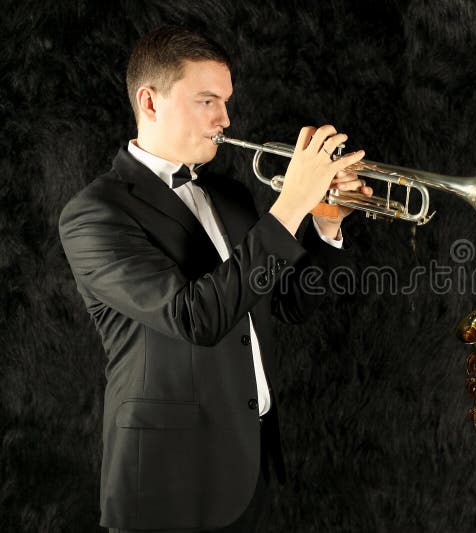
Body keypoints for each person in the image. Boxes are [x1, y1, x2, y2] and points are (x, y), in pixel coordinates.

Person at [59, 26, 371, 532]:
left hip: (249, 464)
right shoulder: (95, 214)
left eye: (225, 102)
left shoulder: (229, 196)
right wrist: (290, 205)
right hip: (165, 480)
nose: (225, 119)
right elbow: (195, 317)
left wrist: (325, 221)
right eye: (207, 100)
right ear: (150, 102)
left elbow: (290, 303)